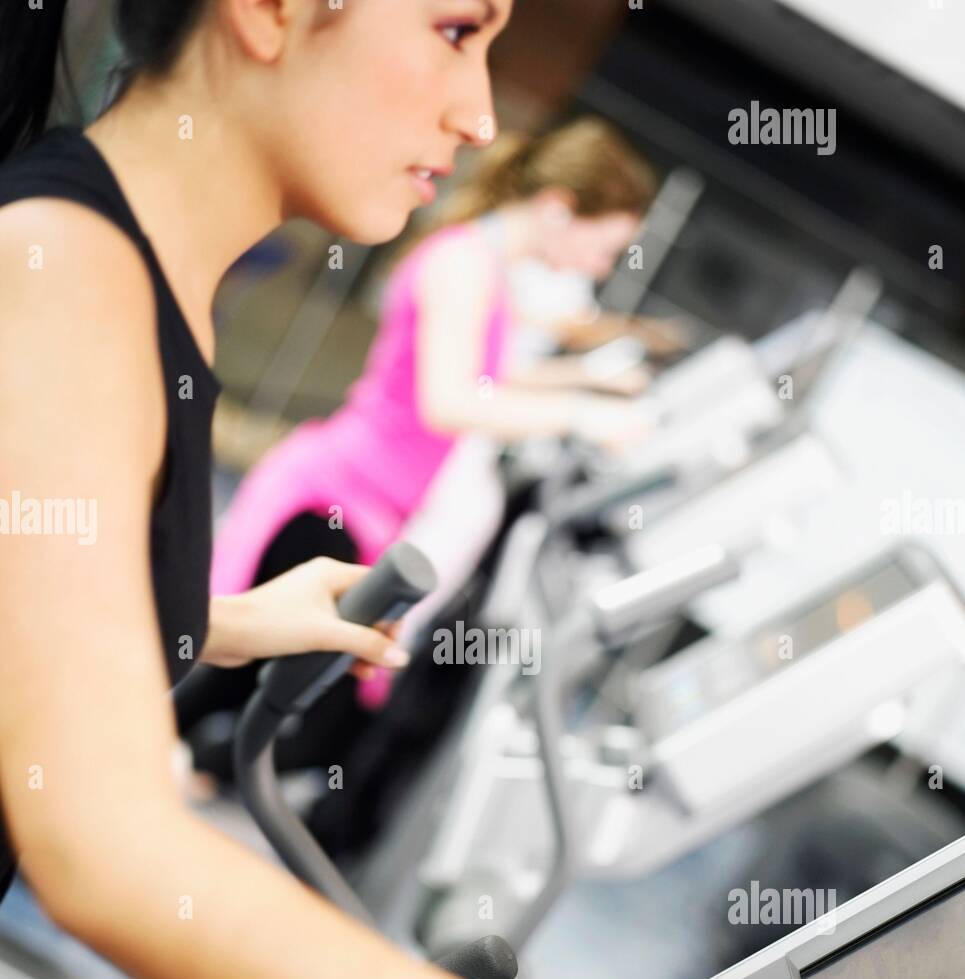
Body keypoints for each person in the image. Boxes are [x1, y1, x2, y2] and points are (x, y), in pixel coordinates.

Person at [0, 0, 892, 979]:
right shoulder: (65, 265)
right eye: (453, 30)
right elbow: (105, 852)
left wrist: (226, 617)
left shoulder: (141, 277)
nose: (480, 114)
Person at [178, 117, 662, 790]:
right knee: (243, 691)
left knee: (262, 695)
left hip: (366, 510)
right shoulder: (463, 265)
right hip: (333, 503)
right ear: (558, 210)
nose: (603, 268)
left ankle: (146, 790)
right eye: (605, 248)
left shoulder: (485, 269)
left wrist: (589, 381)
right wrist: (581, 414)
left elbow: (484, 377)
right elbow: (449, 401)